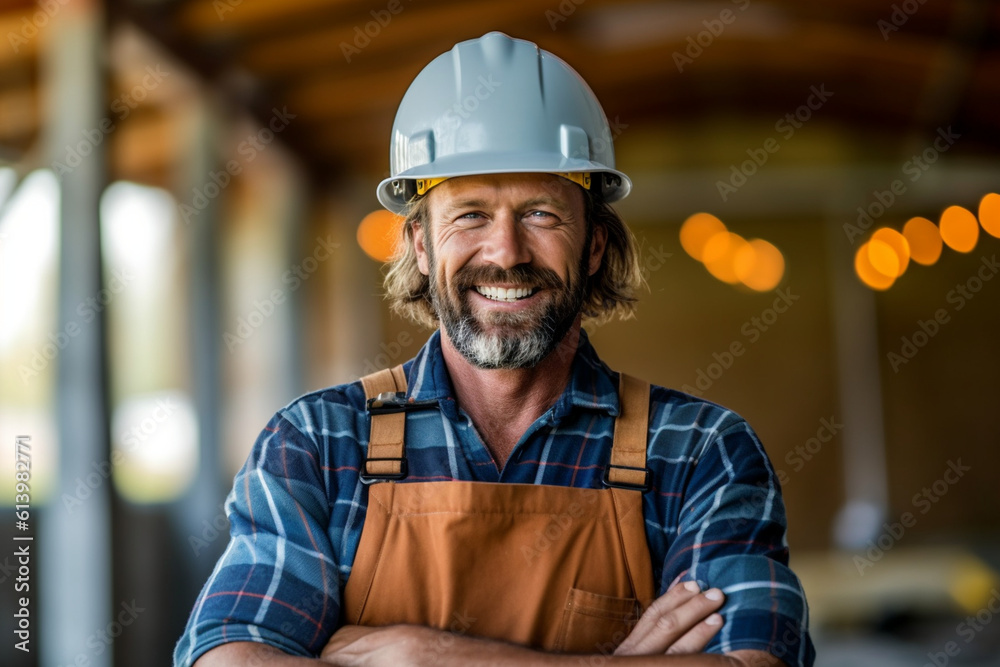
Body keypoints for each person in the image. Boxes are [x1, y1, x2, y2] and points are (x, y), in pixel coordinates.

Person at [175, 32, 814, 667]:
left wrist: (425, 656)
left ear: (593, 246)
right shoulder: (319, 444)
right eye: (470, 215)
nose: (506, 254)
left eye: (541, 214)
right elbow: (228, 658)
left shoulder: (699, 451)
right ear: (422, 247)